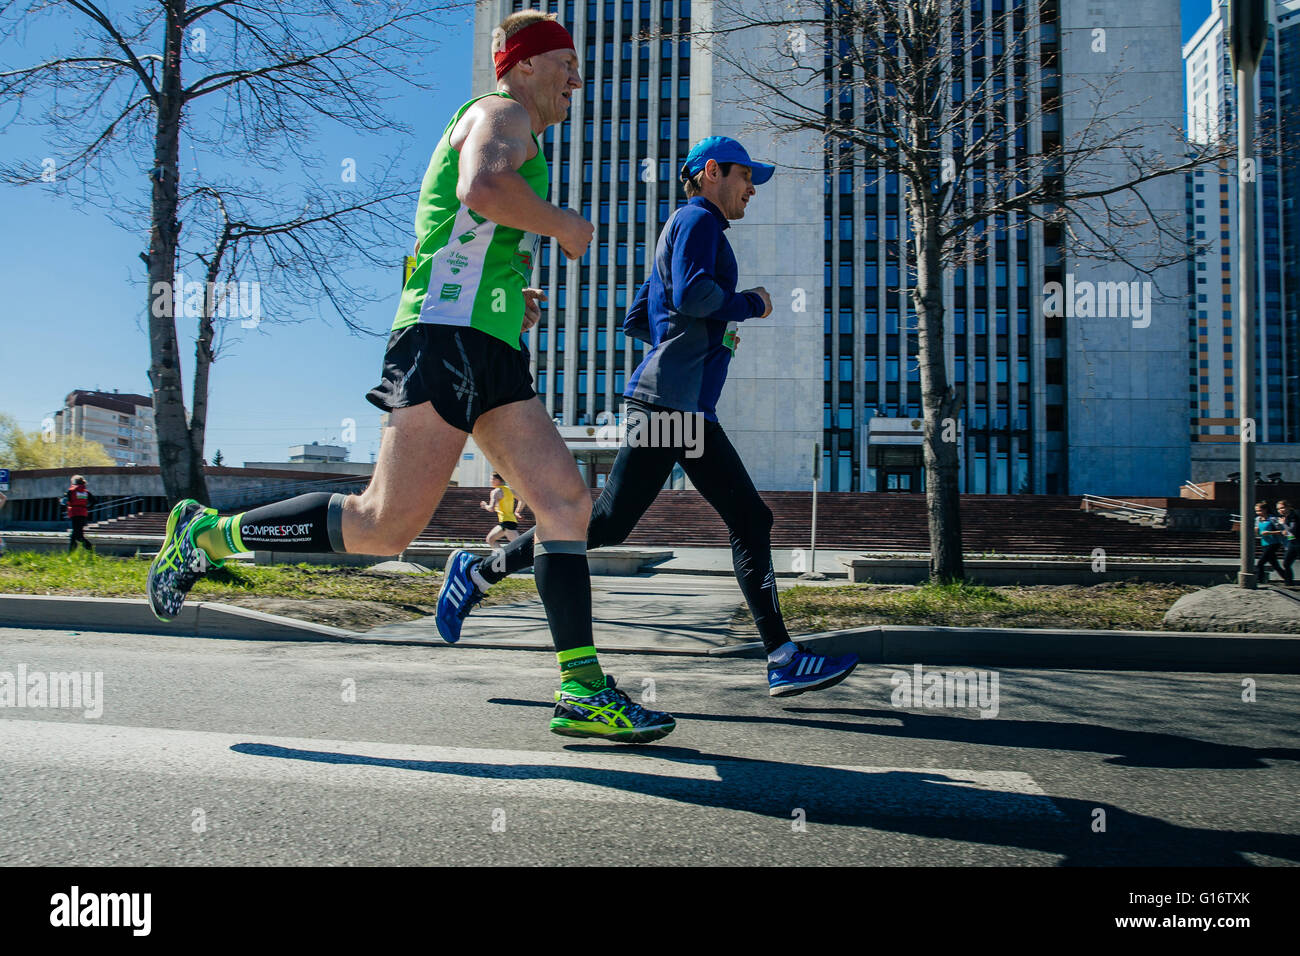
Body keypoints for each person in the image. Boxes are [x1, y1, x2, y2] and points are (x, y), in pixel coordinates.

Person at [145, 9, 675, 743]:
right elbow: (482, 190)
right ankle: (207, 534)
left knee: (564, 504)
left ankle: (582, 688)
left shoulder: (520, 124)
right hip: (441, 344)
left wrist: (506, 298)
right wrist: (561, 223)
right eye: (567, 64)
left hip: (484, 347)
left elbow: (463, 236)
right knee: (383, 526)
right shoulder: (501, 112)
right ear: (524, 65)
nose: (577, 80)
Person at [438, 136, 859, 698]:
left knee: (717, 520)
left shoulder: (683, 226)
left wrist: (686, 339)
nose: (751, 188)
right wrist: (749, 303)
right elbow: (690, 294)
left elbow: (642, 313)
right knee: (630, 522)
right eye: (744, 176)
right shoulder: (699, 220)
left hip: (683, 405)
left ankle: (781, 656)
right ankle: (478, 572)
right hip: (670, 405)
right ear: (712, 172)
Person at [481, 472, 527, 546]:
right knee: (490, 539)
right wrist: (517, 511)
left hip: (506, 522)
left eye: (492, 479)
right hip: (507, 522)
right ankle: (502, 556)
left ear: (498, 480)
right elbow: (523, 499)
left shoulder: (496, 491)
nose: (490, 481)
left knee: (519, 545)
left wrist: (485, 505)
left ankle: (526, 556)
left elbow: (491, 508)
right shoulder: (510, 490)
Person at [1254, 502, 1289, 584]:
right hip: (1264, 543)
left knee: (1260, 563)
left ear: (1265, 510)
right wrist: (1256, 531)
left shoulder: (1273, 519)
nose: (1258, 513)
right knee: (1275, 564)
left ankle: (1260, 581)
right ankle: (1287, 579)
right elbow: (1258, 532)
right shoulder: (1257, 519)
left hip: (1274, 543)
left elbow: (1283, 531)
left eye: (1260, 510)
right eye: (1256, 511)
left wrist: (1269, 532)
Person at [65, 475, 95, 554]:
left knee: (77, 536)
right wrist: (86, 507)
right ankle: (70, 555)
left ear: (74, 482)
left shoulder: (71, 491)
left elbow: (65, 501)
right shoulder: (86, 492)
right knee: (74, 535)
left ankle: (90, 548)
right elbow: (94, 501)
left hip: (74, 513)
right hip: (83, 513)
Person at [1276, 499, 1299, 584]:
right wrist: (1285, 533)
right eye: (1278, 509)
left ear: (1288, 507)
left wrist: (1283, 524)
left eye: (1282, 508)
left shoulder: (1294, 515)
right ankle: (1289, 582)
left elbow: (1293, 530)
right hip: (1293, 542)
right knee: (1286, 563)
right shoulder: (1287, 517)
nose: (1280, 510)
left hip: (1298, 542)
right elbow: (1291, 534)